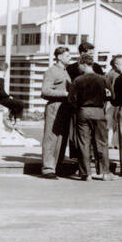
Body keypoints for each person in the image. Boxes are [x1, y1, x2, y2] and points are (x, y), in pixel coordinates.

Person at [69, 56, 113, 180]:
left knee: (84, 142)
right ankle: (105, 172)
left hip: (83, 111)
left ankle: (86, 173)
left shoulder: (78, 80)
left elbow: (71, 99)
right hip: (99, 111)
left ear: (83, 64)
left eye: (79, 65)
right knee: (101, 142)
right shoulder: (103, 79)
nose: (78, 68)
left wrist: (78, 107)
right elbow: (111, 96)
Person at [40, 46, 74, 178]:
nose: (69, 58)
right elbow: (45, 91)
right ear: (59, 57)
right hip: (55, 106)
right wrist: (64, 93)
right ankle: (48, 168)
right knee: (51, 137)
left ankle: (56, 166)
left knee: (61, 138)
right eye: (67, 56)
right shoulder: (51, 72)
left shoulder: (65, 72)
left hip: (65, 107)